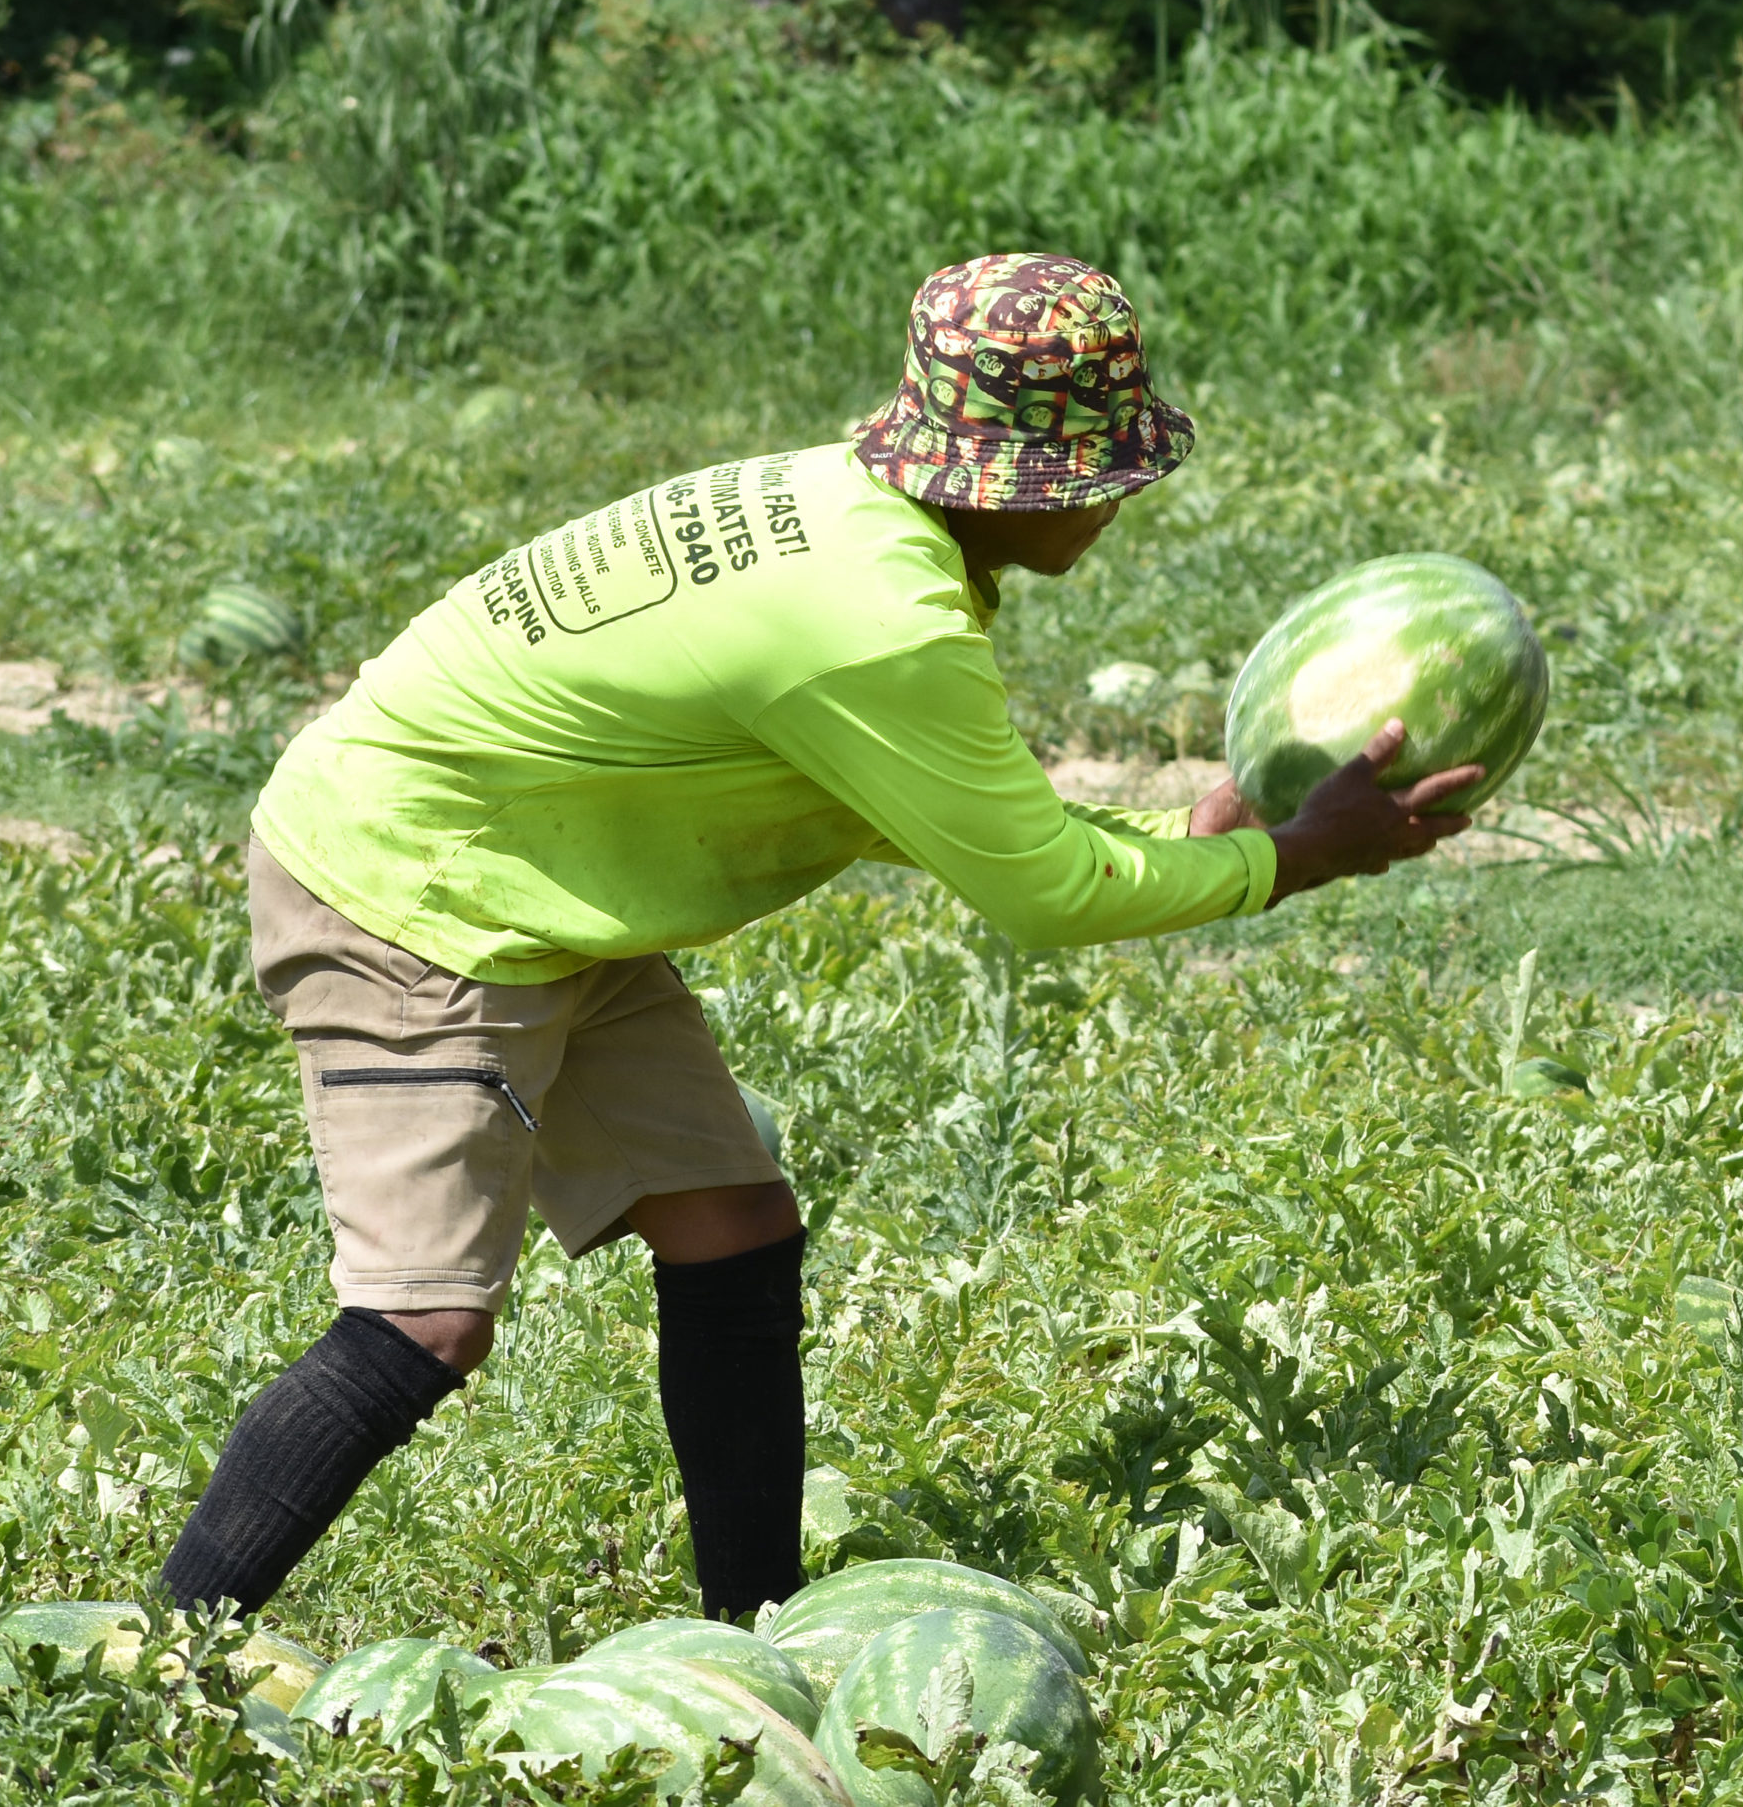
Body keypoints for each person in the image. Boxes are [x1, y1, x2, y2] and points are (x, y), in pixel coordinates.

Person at [159, 251, 1481, 1626]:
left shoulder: (854, 516)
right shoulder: (874, 619)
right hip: (413, 892)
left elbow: (930, 802)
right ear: (1015, 479)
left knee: (731, 1228)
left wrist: (1186, 836)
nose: (1124, 490)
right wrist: (1295, 859)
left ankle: (754, 1628)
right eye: (1100, 469)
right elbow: (1043, 899)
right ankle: (160, 1655)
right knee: (426, 1319)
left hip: (543, 878)